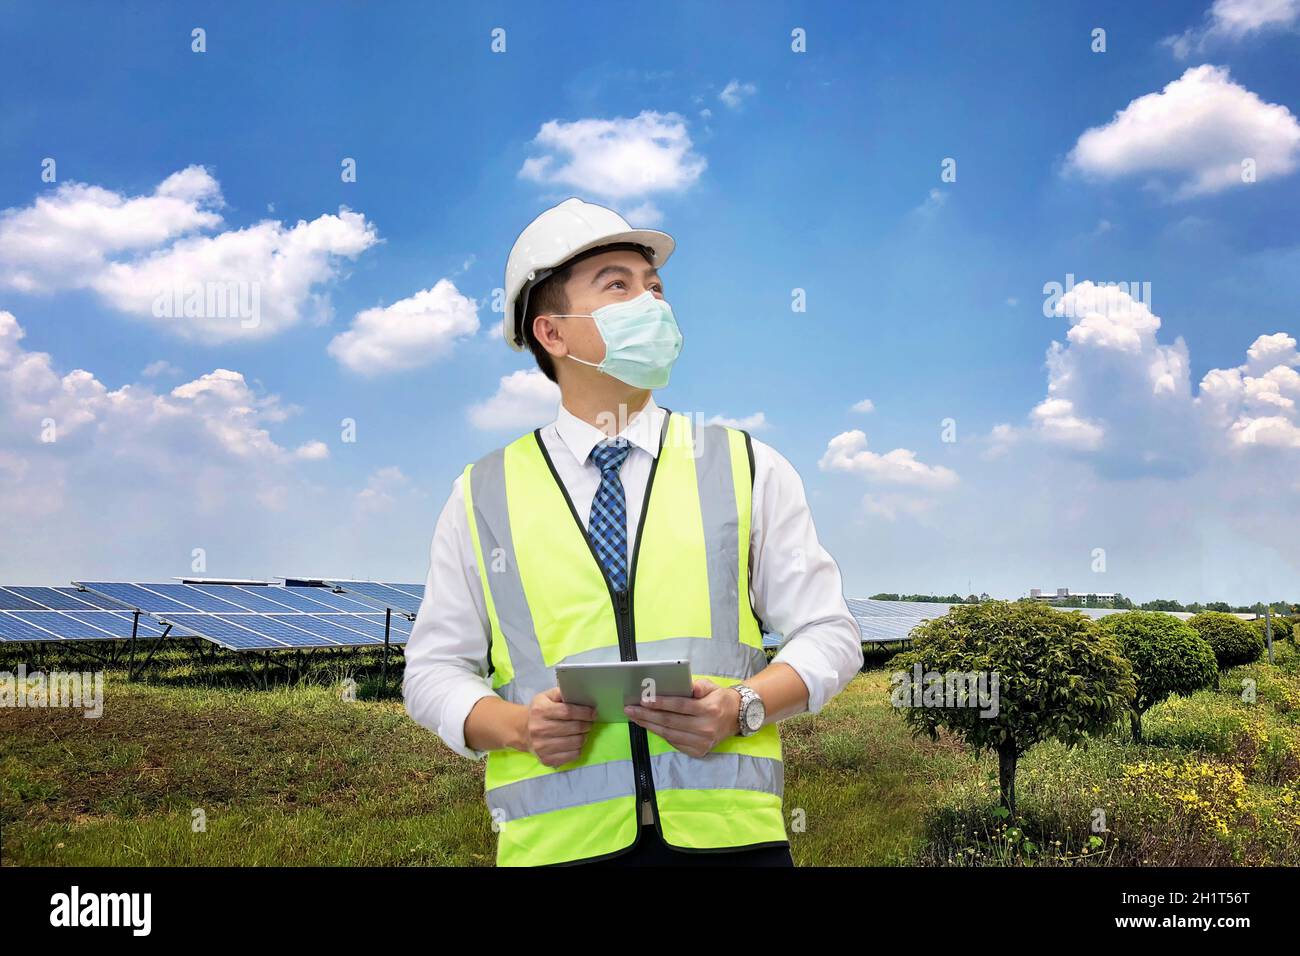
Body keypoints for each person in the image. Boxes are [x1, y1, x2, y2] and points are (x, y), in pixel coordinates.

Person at [404, 197, 863, 866]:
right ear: (552, 333)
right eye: (617, 286)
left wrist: (744, 706)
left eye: (655, 288)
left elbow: (830, 635)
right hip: (557, 849)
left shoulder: (745, 464)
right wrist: (519, 728)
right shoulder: (482, 493)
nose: (651, 303)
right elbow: (434, 670)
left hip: (731, 844)